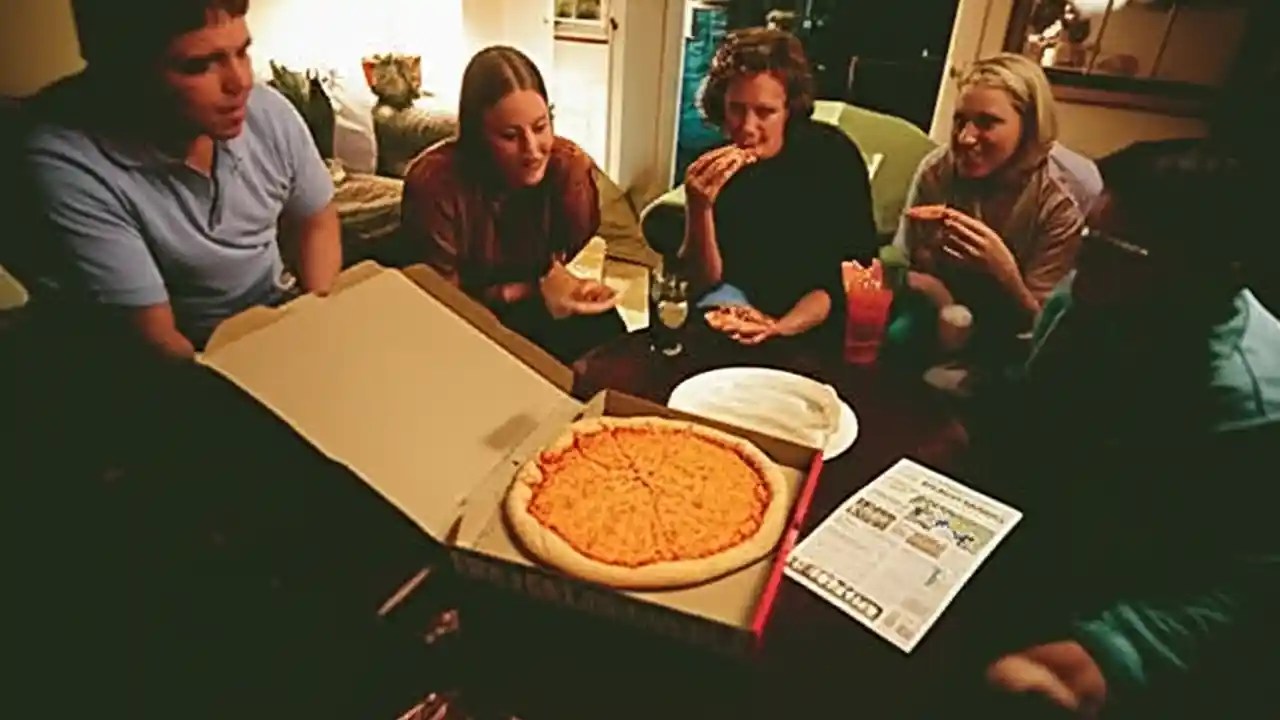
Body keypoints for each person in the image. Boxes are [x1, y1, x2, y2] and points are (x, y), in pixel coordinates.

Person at [969, 139, 1279, 718]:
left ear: (1200, 272)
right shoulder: (1090, 294)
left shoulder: (1252, 401)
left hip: (1129, 597)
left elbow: (1248, 588)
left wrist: (1113, 653)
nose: (1078, 269)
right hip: (1049, 547)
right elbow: (1039, 412)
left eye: (1111, 250)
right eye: (1088, 239)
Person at [25, 0, 341, 360]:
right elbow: (158, 344)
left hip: (277, 320)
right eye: (199, 65)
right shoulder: (67, 160)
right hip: (193, 359)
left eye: (242, 52)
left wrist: (319, 318)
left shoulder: (266, 111)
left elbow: (316, 220)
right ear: (125, 73)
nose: (240, 82)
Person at [398, 46, 621, 363]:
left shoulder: (568, 167)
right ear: (478, 136)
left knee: (611, 339)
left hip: (536, 304)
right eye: (510, 135)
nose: (532, 149)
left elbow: (563, 255)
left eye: (541, 127)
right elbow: (441, 306)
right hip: (466, 323)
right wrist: (531, 290)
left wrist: (567, 287)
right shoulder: (435, 184)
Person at [678, 27, 877, 348]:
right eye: (736, 108)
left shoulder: (833, 156)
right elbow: (702, 282)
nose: (747, 128)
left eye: (765, 112)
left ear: (790, 109)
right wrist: (698, 205)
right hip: (737, 299)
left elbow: (849, 273)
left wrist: (780, 327)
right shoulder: (717, 167)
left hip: (816, 306)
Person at [894, 52, 1084, 364]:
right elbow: (908, 269)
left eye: (987, 122)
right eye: (959, 121)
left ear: (1029, 126)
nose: (966, 138)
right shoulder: (938, 171)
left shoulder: (1060, 199)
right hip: (942, 314)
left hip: (1017, 336)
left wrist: (1004, 271)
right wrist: (942, 297)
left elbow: (1045, 331)